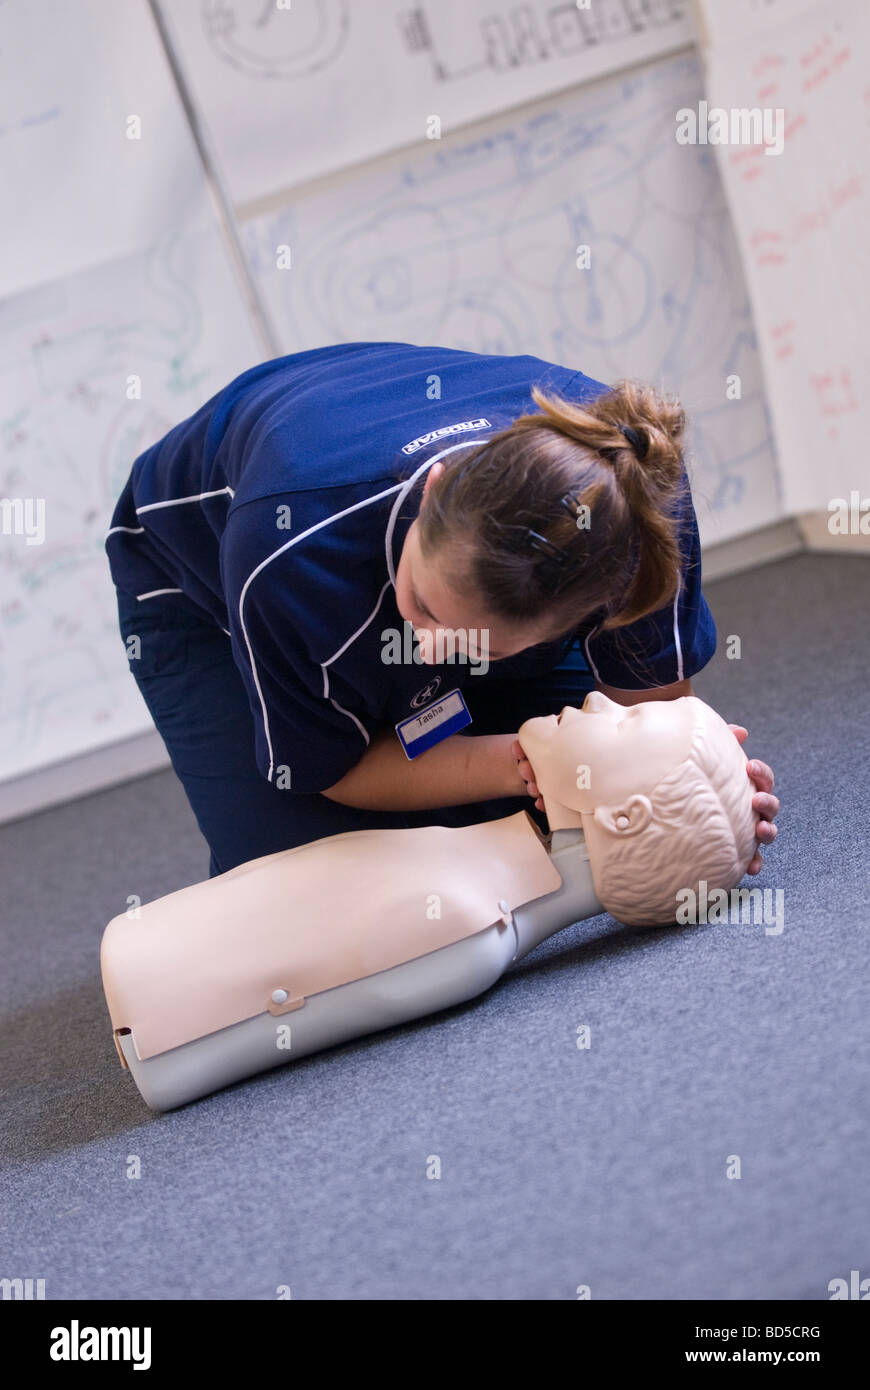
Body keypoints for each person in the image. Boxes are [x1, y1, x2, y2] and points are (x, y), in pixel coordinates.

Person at [104, 340, 779, 877]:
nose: (425, 649)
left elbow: (648, 707)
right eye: (424, 607)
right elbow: (335, 771)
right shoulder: (283, 553)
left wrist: (691, 789)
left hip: (423, 559)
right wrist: (531, 762)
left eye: (473, 647)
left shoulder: (631, 495)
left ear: (587, 609)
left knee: (582, 800)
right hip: (193, 583)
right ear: (435, 489)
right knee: (308, 887)